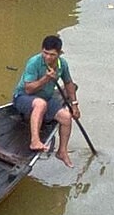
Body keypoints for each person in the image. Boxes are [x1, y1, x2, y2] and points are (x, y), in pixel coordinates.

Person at [13, 33, 79, 165]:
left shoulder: (62, 64)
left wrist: (74, 104)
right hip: (23, 98)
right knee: (40, 104)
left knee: (66, 117)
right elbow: (28, 89)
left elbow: (68, 84)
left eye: (52, 54)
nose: (48, 57)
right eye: (45, 53)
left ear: (59, 53)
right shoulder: (34, 62)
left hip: (46, 98)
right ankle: (35, 141)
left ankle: (62, 151)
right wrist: (46, 79)